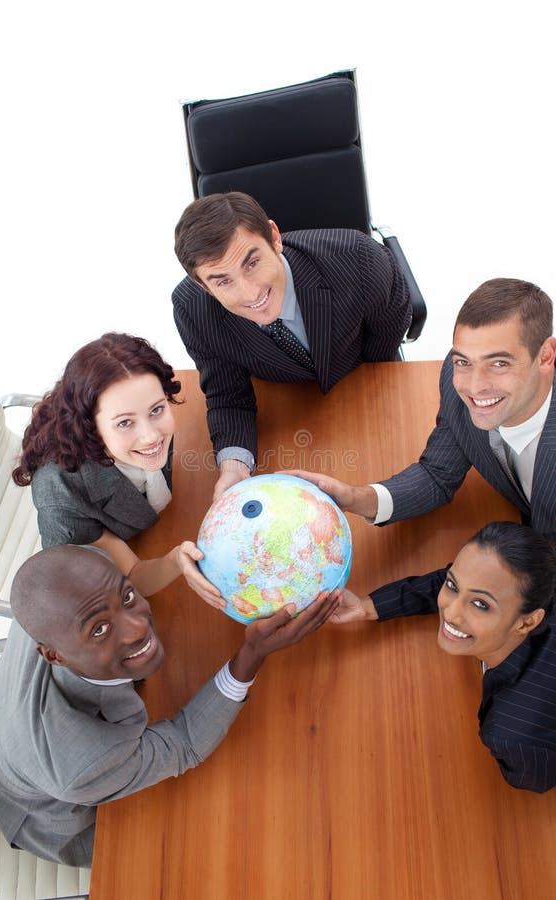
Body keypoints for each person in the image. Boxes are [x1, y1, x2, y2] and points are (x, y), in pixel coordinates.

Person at [0, 545, 339, 866]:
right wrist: (253, 653)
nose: (137, 628)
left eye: (128, 597)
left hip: (14, 730)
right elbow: (183, 744)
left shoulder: (77, 587)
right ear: (53, 656)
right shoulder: (83, 765)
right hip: (52, 820)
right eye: (100, 630)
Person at [172, 191, 412, 500]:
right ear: (202, 285)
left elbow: (389, 330)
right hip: (285, 404)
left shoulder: (359, 259)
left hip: (364, 382)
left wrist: (363, 386)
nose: (249, 293)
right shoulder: (192, 309)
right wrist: (235, 469)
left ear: (274, 237)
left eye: (252, 263)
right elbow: (228, 395)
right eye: (223, 281)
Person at [291, 278, 556, 540]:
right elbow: (438, 475)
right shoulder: (456, 386)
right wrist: (353, 497)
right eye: (464, 361)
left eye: (498, 364)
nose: (475, 387)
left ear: (545, 357)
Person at [332, 521, 556, 792]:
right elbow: (468, 579)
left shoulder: (512, 735)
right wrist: (369, 607)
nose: (450, 614)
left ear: (528, 622)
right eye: (453, 586)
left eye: (480, 605)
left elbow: (534, 779)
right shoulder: (540, 575)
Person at [12, 332, 222, 607]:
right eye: (125, 423)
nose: (150, 436)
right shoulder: (63, 502)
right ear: (89, 427)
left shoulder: (139, 416)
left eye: (157, 410)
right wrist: (175, 561)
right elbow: (131, 576)